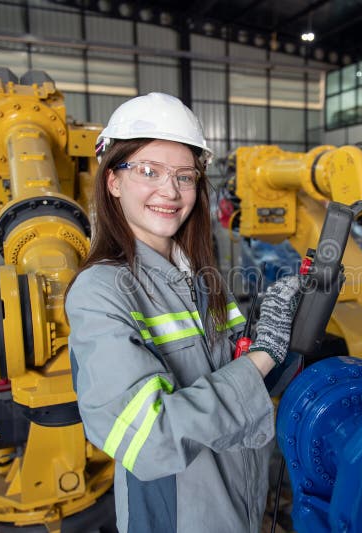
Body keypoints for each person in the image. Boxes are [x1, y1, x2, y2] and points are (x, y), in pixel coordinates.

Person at [65, 92, 300, 533]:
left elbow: (244, 374)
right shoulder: (100, 291)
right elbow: (150, 439)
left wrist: (282, 328)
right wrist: (262, 356)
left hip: (240, 507)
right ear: (113, 181)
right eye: (149, 171)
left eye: (184, 176)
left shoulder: (201, 277)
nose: (170, 191)